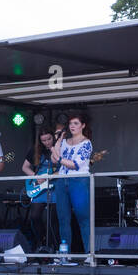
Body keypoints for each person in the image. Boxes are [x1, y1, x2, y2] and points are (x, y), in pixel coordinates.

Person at [50, 112, 93, 261]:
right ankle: (65, 253)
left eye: (76, 123)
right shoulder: (65, 141)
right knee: (63, 219)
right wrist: (58, 140)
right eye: (70, 124)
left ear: (83, 125)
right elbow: (53, 159)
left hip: (78, 180)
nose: (72, 126)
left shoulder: (86, 143)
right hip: (62, 181)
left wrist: (59, 157)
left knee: (83, 218)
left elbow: (75, 164)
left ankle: (89, 253)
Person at [22, 128, 58, 250]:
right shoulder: (35, 150)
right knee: (35, 216)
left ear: (53, 137)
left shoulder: (58, 148)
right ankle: (41, 241)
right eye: (43, 140)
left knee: (52, 219)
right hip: (39, 186)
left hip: (55, 186)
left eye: (49, 139)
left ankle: (53, 246)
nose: (47, 142)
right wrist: (35, 176)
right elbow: (25, 167)